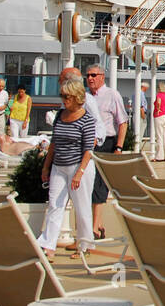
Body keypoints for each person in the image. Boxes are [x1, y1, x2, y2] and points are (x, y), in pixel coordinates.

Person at [38, 78, 97, 262]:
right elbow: (54, 143)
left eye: (66, 96)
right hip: (59, 166)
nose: (63, 100)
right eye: (62, 96)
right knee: (55, 205)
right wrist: (46, 166)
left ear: (76, 97)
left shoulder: (87, 119)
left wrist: (79, 173)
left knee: (82, 207)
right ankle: (48, 246)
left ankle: (85, 244)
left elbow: (88, 149)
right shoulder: (60, 115)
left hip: (79, 167)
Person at [84, 64, 128, 240]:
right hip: (89, 143)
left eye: (94, 75)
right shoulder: (86, 97)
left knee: (99, 184)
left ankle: (94, 228)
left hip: (107, 143)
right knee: (88, 183)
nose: (90, 78)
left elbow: (122, 122)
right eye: (87, 75)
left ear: (102, 76)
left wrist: (119, 147)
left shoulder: (112, 95)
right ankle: (99, 224)